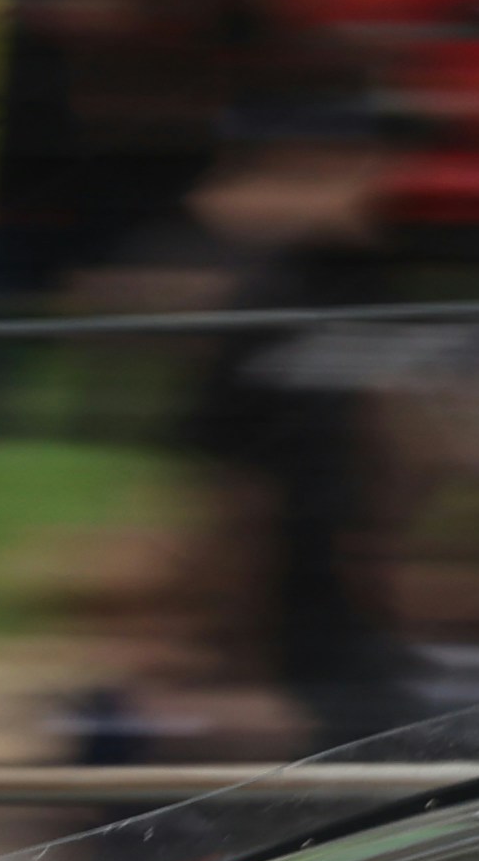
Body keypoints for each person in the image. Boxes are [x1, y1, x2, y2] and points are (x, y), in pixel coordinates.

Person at [133, 101, 420, 762]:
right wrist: (221, 658)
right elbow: (230, 497)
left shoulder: (353, 287)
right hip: (293, 614)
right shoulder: (267, 301)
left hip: (339, 604)